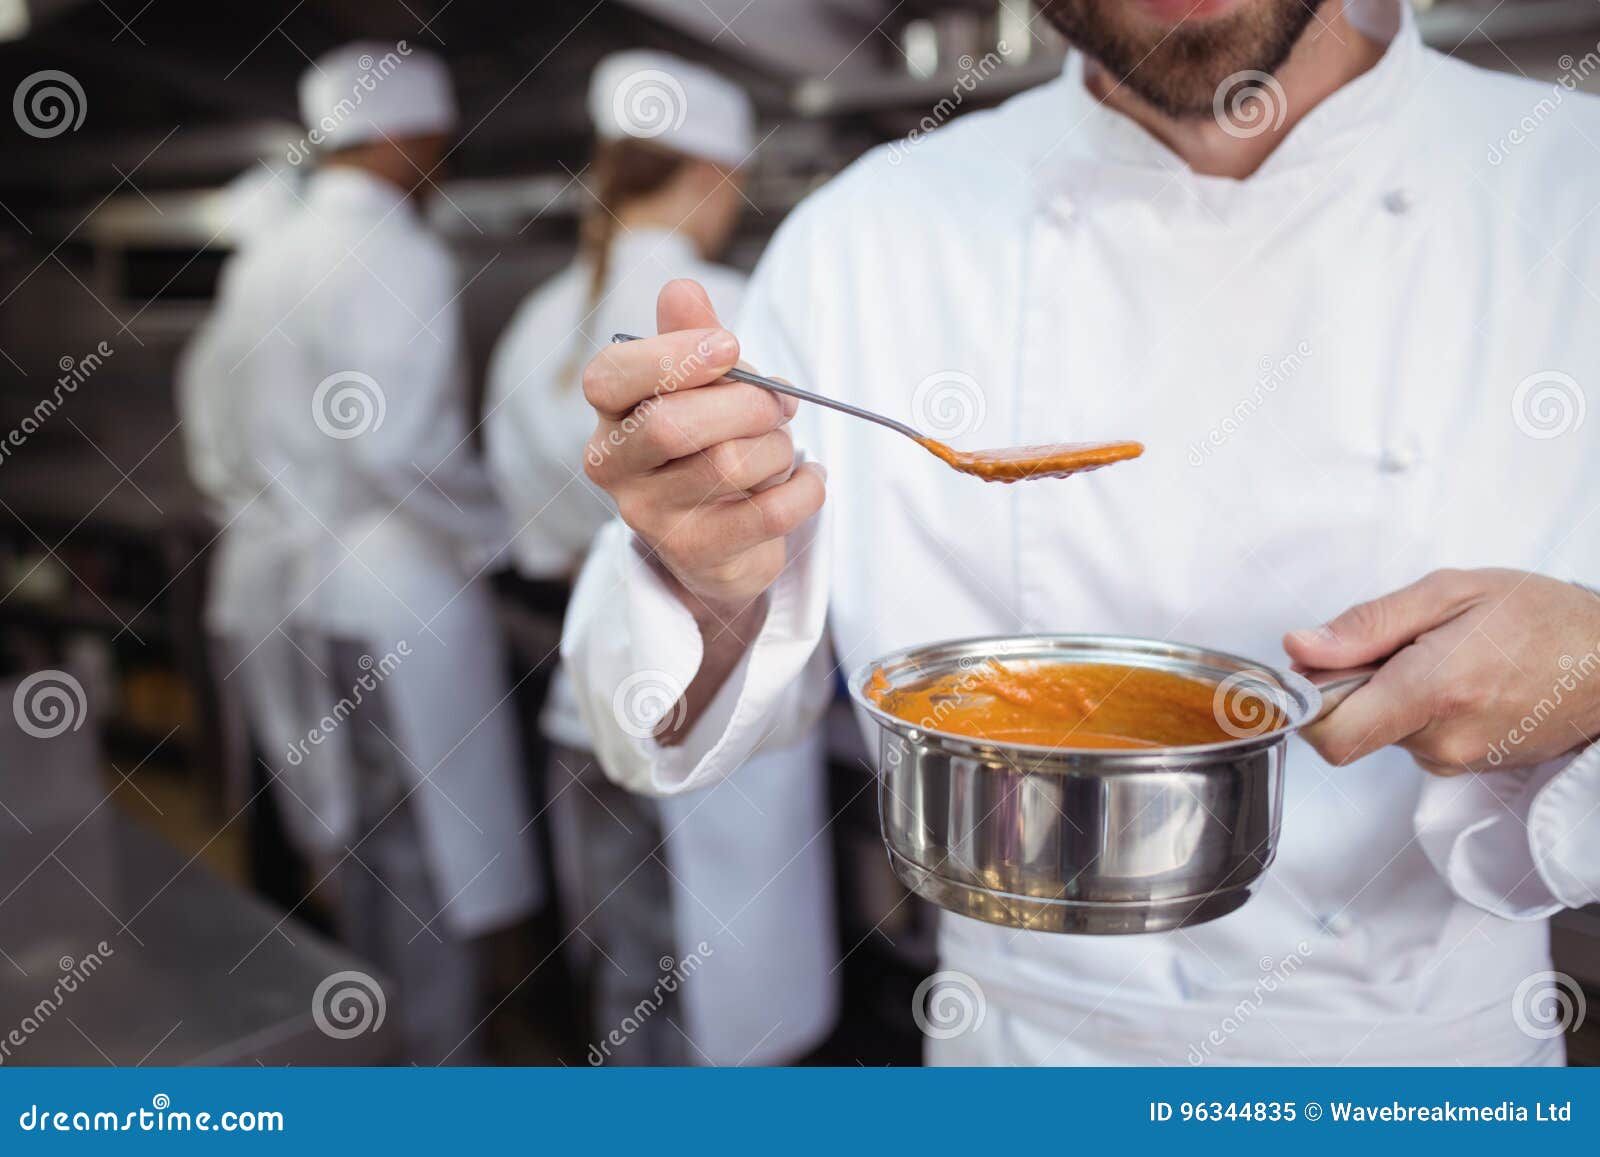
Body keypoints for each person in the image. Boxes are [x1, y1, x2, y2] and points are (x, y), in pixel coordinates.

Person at [561, 0, 1600, 1065]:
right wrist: (706, 575)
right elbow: (651, 709)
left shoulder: (1571, 184)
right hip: (1020, 1052)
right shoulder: (865, 234)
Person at [176, 42, 539, 1064]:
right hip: (393, 599)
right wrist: (502, 523)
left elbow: (210, 423)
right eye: (439, 138)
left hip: (298, 596)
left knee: (362, 856)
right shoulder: (400, 253)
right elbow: (397, 444)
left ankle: (384, 1060)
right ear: (404, 138)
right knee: (426, 862)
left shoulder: (266, 256)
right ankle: (439, 1079)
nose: (444, 156)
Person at [484, 50, 836, 1065]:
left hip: (580, 706)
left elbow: (527, 522)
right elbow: (807, 504)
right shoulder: (735, 308)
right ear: (706, 177)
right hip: (722, 703)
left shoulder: (542, 320)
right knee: (718, 1010)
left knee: (628, 980)